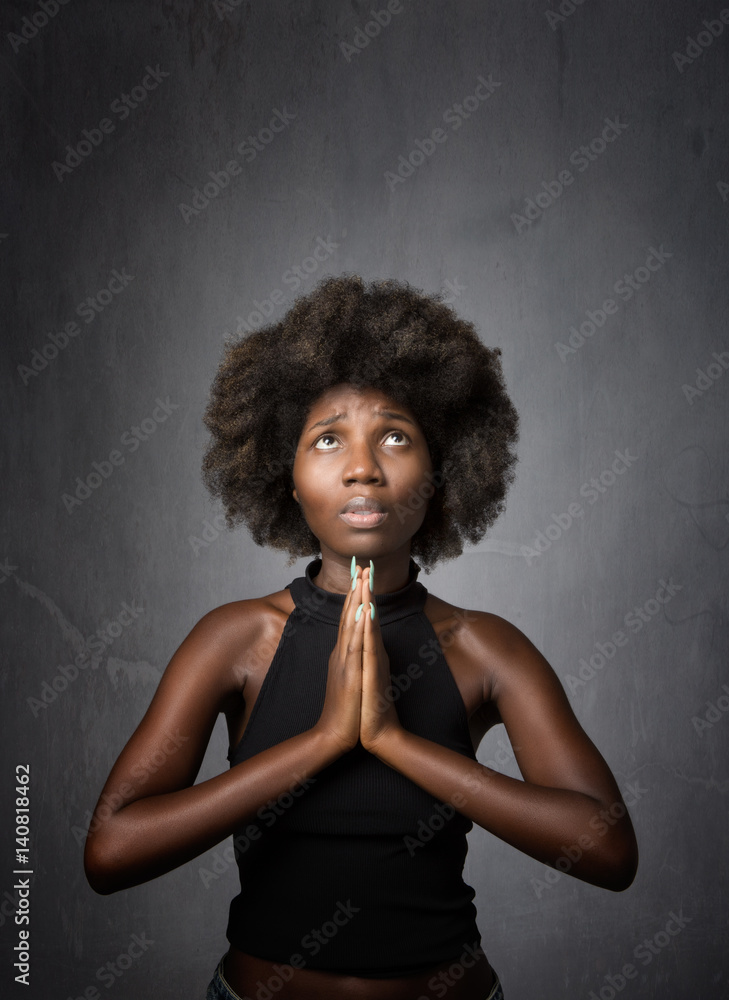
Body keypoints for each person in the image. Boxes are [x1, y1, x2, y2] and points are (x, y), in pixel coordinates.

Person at [84, 275, 639, 1000]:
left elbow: (608, 850)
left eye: (395, 437)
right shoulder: (235, 640)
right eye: (327, 439)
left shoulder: (486, 649)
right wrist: (321, 741)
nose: (362, 468)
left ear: (440, 472)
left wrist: (391, 740)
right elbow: (110, 852)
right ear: (287, 477)